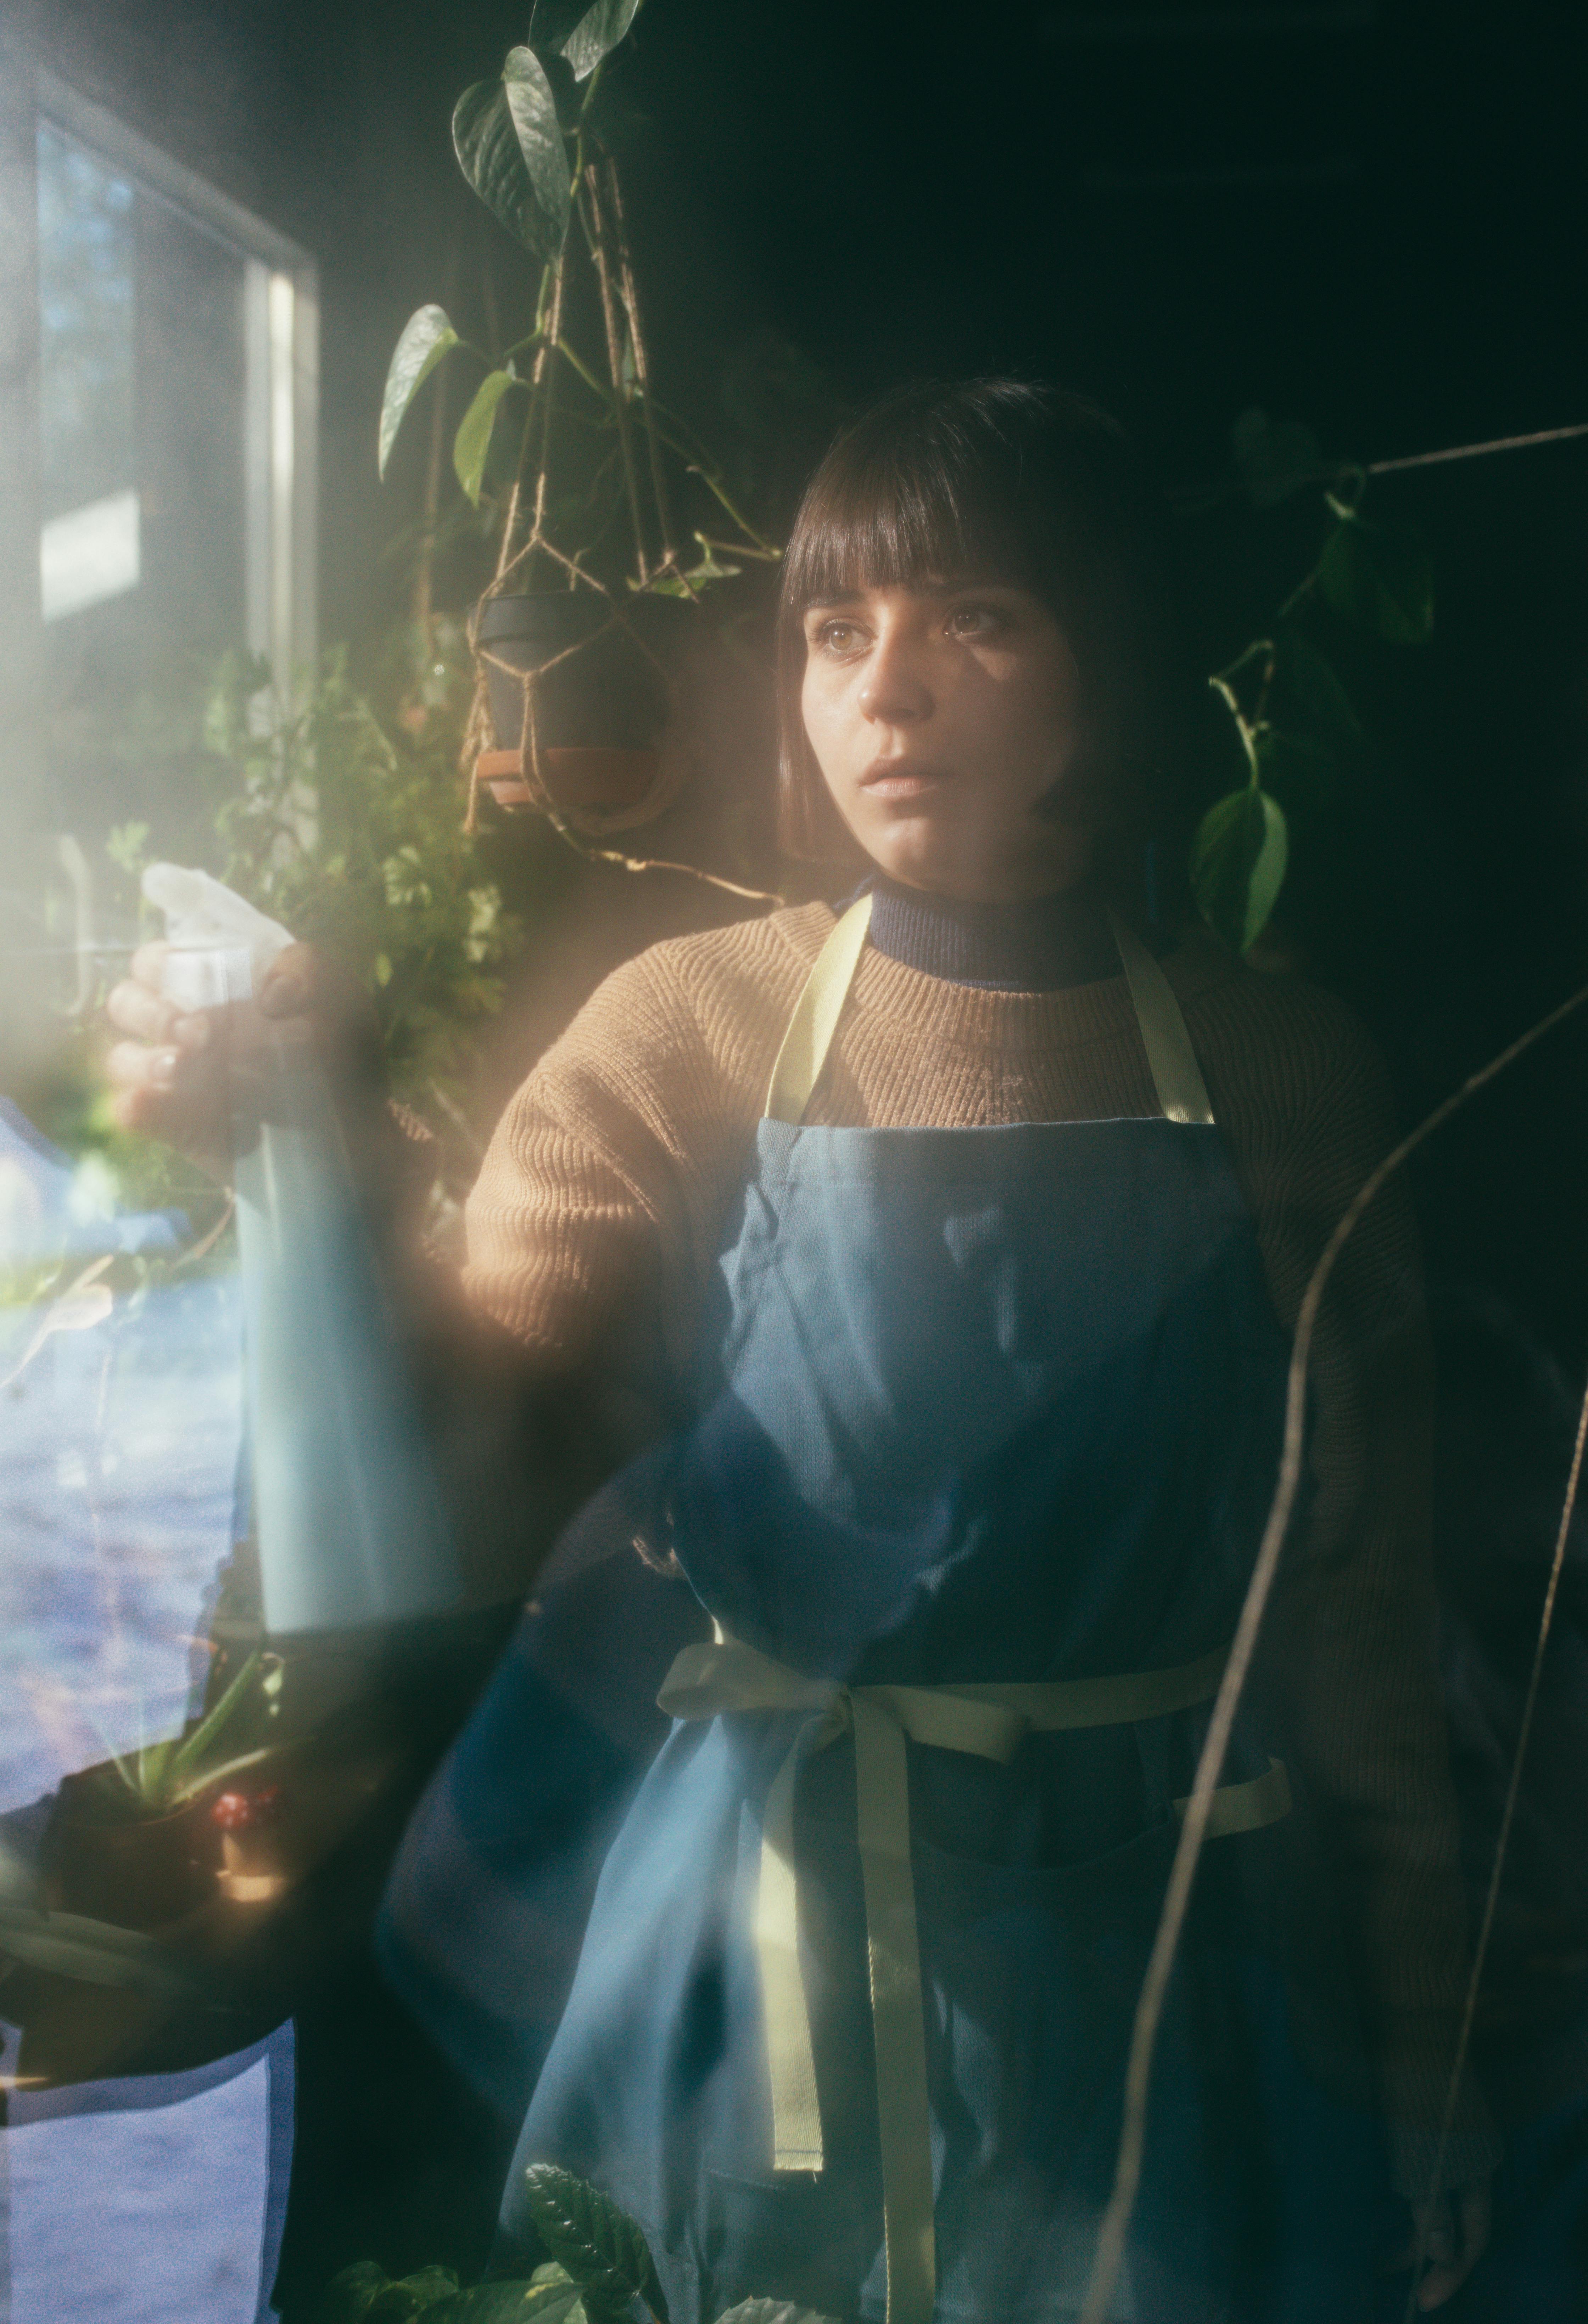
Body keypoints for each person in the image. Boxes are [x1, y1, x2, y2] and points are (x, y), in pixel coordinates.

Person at [109, 379, 1496, 2322]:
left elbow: (1362, 1619)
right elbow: (464, 1470)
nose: (889, 692)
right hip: (760, 1978)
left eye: (975, 623)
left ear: (1112, 656)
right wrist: (308, 1159)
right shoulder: (686, 1033)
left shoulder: (1281, 1071)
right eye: (840, 633)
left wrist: (1427, 2069)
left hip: (1174, 1989)